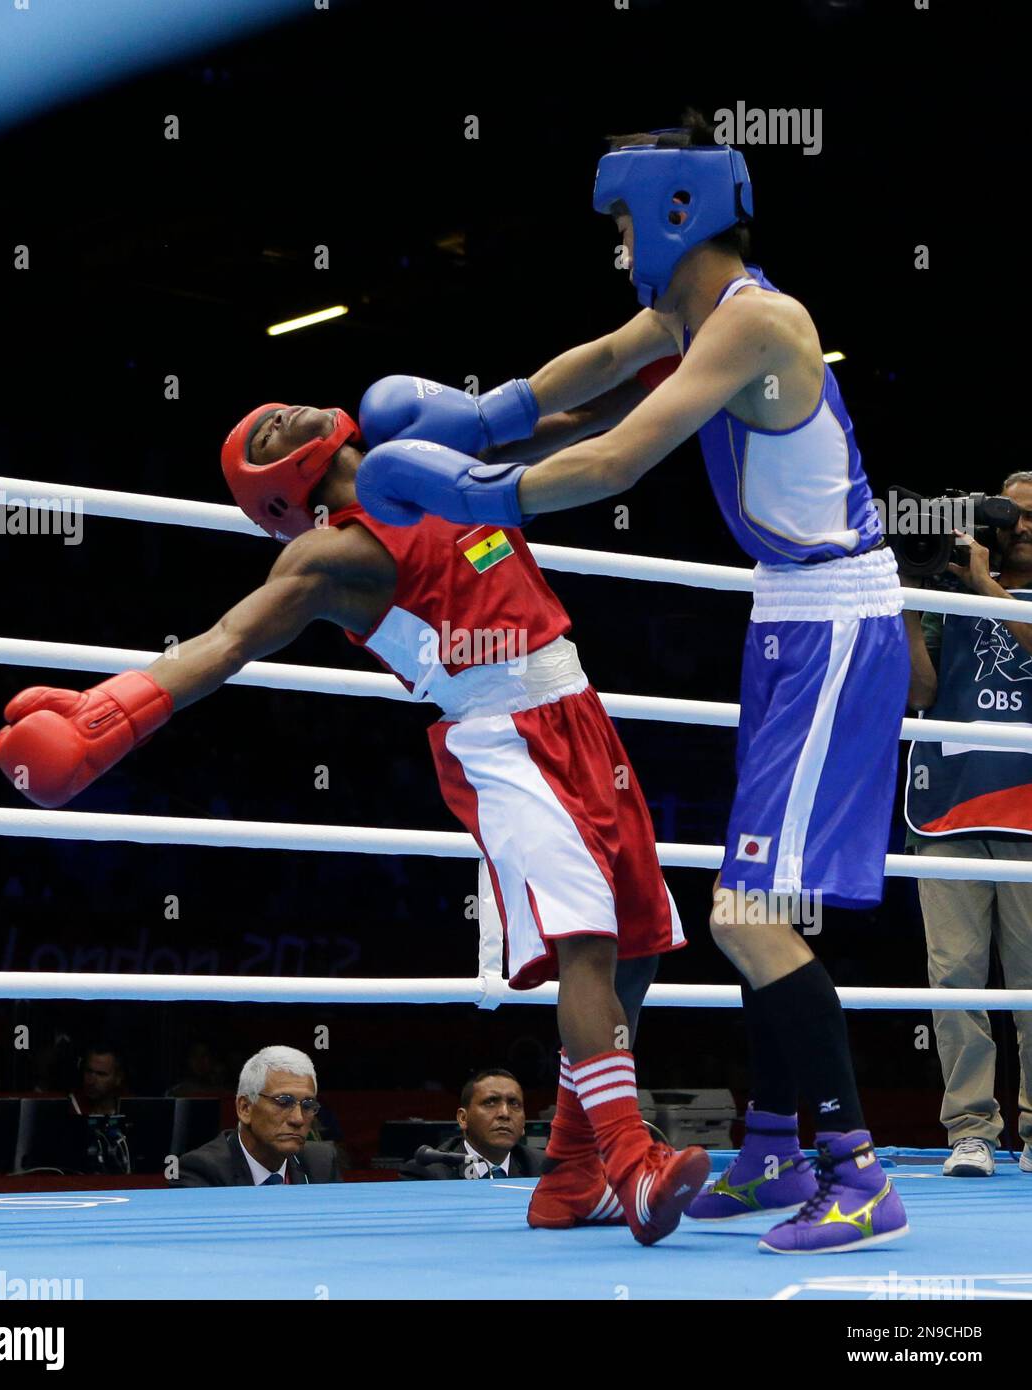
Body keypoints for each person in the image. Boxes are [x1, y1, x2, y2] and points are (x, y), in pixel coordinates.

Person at [353, 113, 911, 1253]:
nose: (615, 246)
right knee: (765, 903)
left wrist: (468, 488)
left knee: (748, 918)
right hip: (791, 622)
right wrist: (486, 420)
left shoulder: (760, 322)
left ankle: (856, 1173)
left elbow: (615, 455)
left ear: (675, 209)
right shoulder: (690, 312)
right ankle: (769, 1147)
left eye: (621, 221)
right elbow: (596, 374)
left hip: (838, 620)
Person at [0, 398, 704, 1245]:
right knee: (585, 941)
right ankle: (631, 1163)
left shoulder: (428, 453)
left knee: (637, 947)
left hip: (578, 707)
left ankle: (570, 1172)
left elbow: (559, 420)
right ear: (278, 496)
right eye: (257, 436)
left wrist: (669, 365)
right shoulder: (331, 557)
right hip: (502, 733)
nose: (275, 416)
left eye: (275, 412)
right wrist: (103, 717)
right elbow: (225, 640)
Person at [903, 471, 1032, 1177]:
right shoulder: (945, 593)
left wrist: (986, 587)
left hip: (1029, 811)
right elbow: (918, 691)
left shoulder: (981, 588)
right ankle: (970, 1131)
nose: (1021, 526)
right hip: (949, 804)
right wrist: (905, 600)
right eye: (1009, 514)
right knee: (953, 979)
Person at [169, 1046, 340, 1187]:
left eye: (307, 1105)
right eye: (283, 1102)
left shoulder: (321, 1162)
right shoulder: (202, 1170)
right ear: (245, 1108)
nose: (298, 1119)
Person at [399, 1069, 546, 1180]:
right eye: (490, 1102)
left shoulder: (545, 1168)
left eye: (514, 1104)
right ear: (463, 1118)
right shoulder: (428, 1174)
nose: (505, 1113)